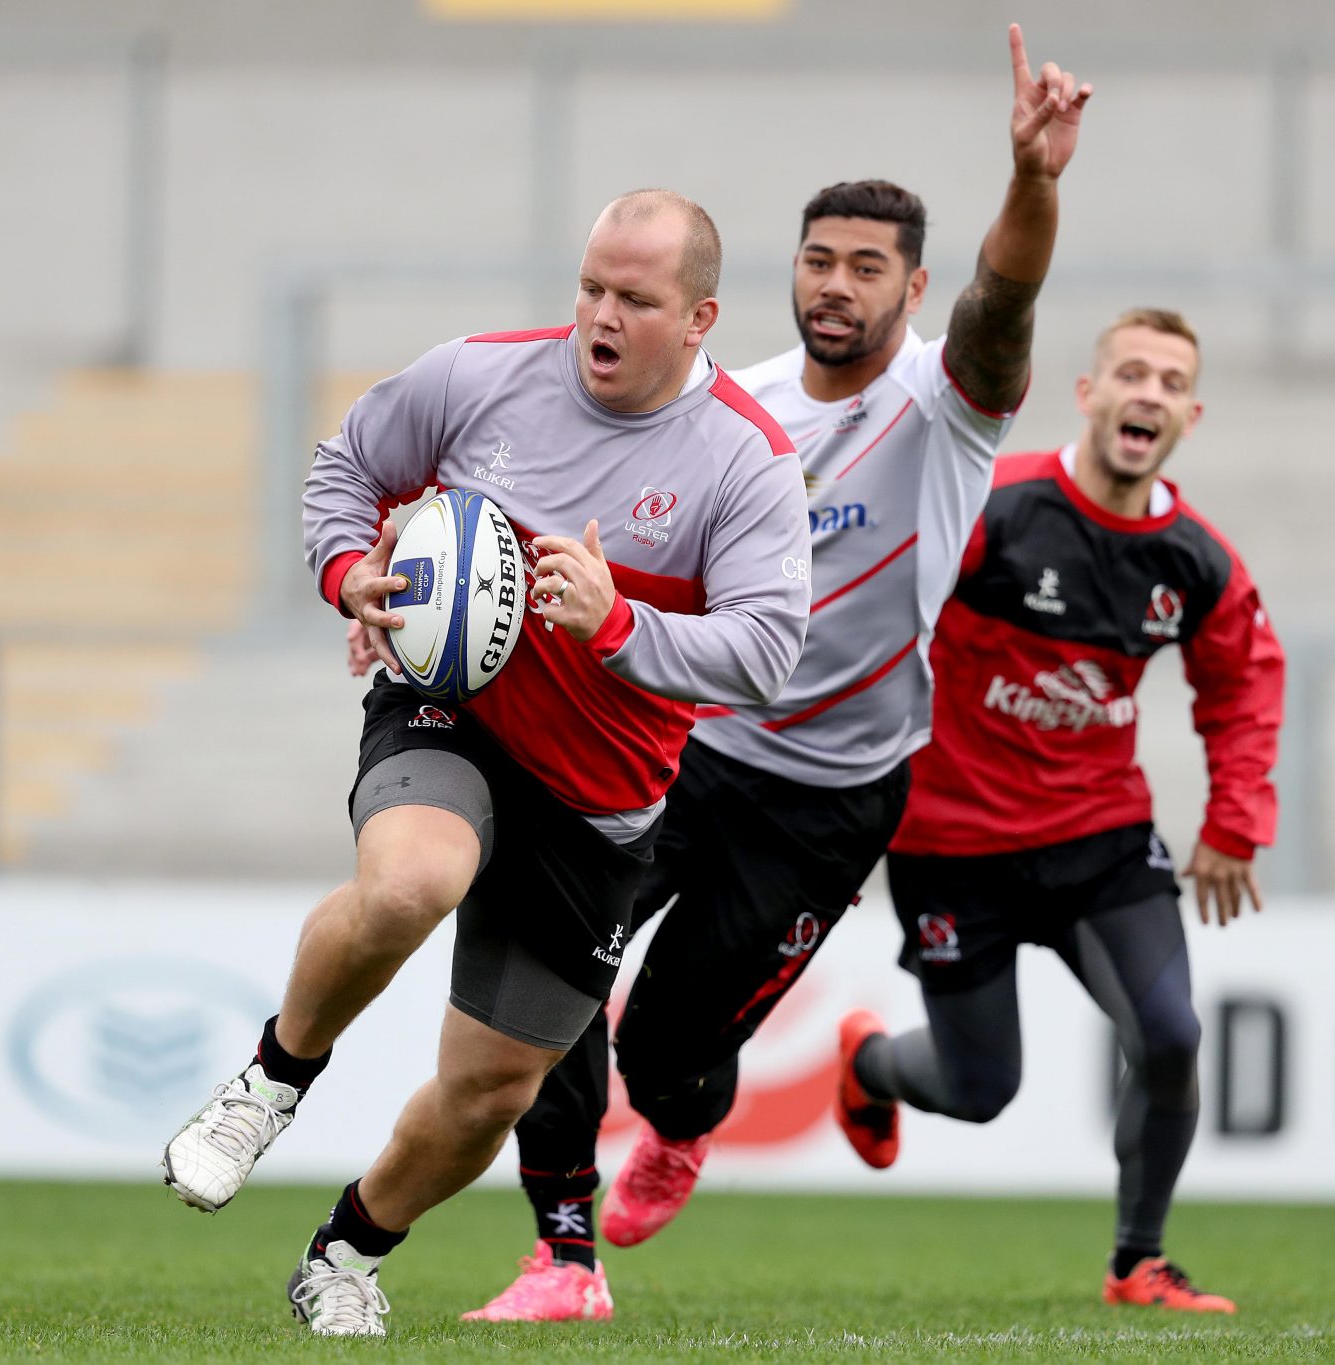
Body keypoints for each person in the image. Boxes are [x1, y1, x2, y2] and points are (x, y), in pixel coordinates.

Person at [419, 23, 1094, 1323]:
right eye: (817, 259)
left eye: (866, 267)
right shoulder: (736, 407)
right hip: (683, 744)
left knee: (671, 1048)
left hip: (831, 795)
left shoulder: (947, 406)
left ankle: (680, 1124)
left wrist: (1033, 178)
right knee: (557, 978)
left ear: (913, 286)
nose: (836, 286)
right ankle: (562, 1255)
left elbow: (1003, 307)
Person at [159, 188, 811, 1338]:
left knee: (491, 1092)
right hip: (451, 715)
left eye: (634, 299)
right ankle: (272, 1080)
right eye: (590, 287)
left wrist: (617, 624)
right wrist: (348, 573)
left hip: (599, 802)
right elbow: (343, 468)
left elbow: (764, 652)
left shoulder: (743, 462)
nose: (599, 316)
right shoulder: (478, 375)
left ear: (698, 318)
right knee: (412, 882)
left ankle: (346, 1254)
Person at [834, 308, 1282, 1316]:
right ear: (1088, 394)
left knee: (1169, 1035)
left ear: (1189, 417)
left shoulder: (1194, 560)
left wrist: (1234, 821)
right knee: (979, 1090)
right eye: (1132, 372)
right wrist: (840, 796)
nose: (1149, 393)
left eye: (1171, 383)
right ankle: (867, 1060)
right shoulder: (996, 508)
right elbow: (870, 623)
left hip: (1097, 840)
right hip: (951, 845)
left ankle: (1138, 1263)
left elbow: (1245, 681)